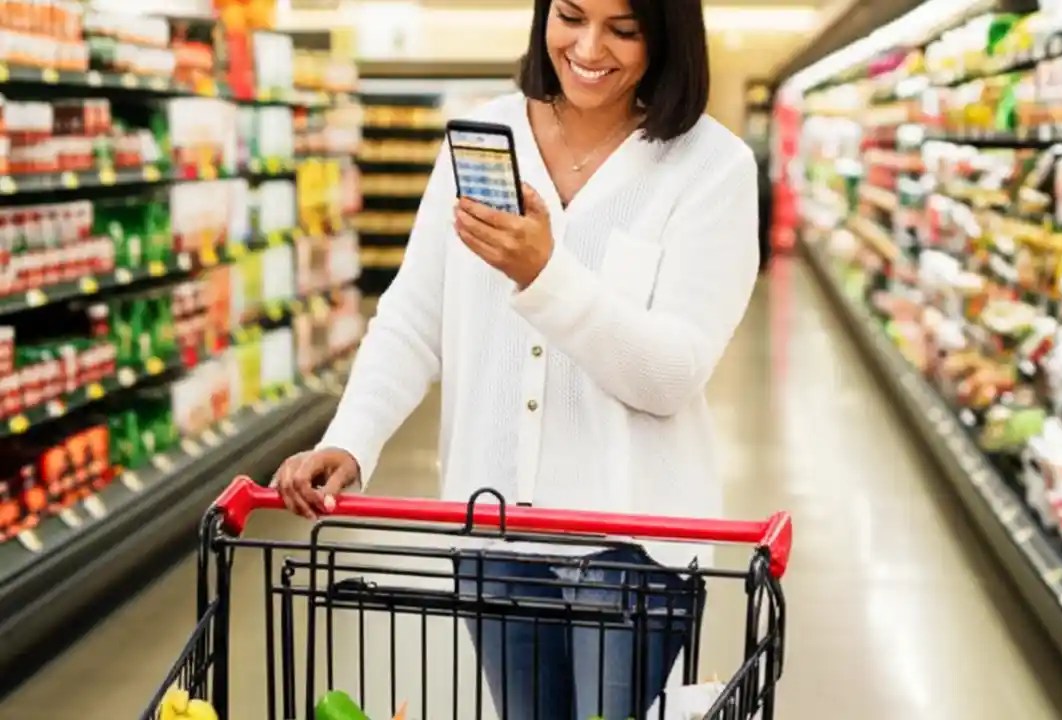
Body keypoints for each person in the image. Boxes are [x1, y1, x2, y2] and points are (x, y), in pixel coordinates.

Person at [272, 0, 759, 716]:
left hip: (631, 548)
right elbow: (415, 314)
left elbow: (670, 375)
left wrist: (545, 275)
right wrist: (352, 436)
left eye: (624, 29)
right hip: (492, 528)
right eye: (570, 15)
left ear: (667, 36)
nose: (590, 47)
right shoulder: (485, 136)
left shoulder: (710, 168)